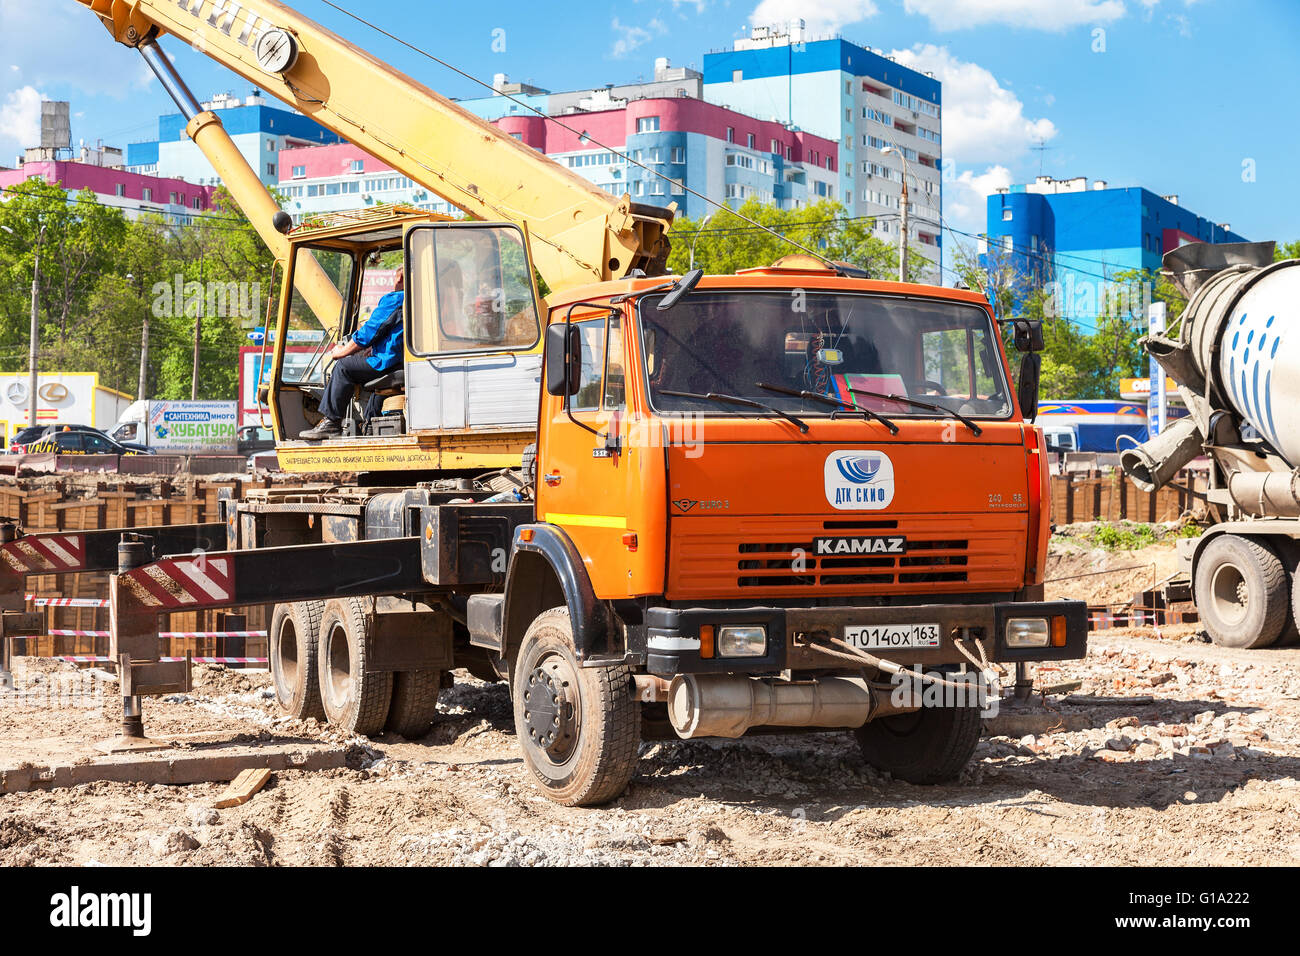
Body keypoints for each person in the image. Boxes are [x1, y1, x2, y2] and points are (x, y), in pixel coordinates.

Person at [300, 267, 405, 439]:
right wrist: (374, 347)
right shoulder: (418, 301)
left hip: (388, 362)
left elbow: (369, 331)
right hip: (402, 362)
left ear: (399, 278)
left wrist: (341, 352)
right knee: (376, 385)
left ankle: (331, 422)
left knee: (344, 367)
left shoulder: (396, 299)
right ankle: (369, 426)